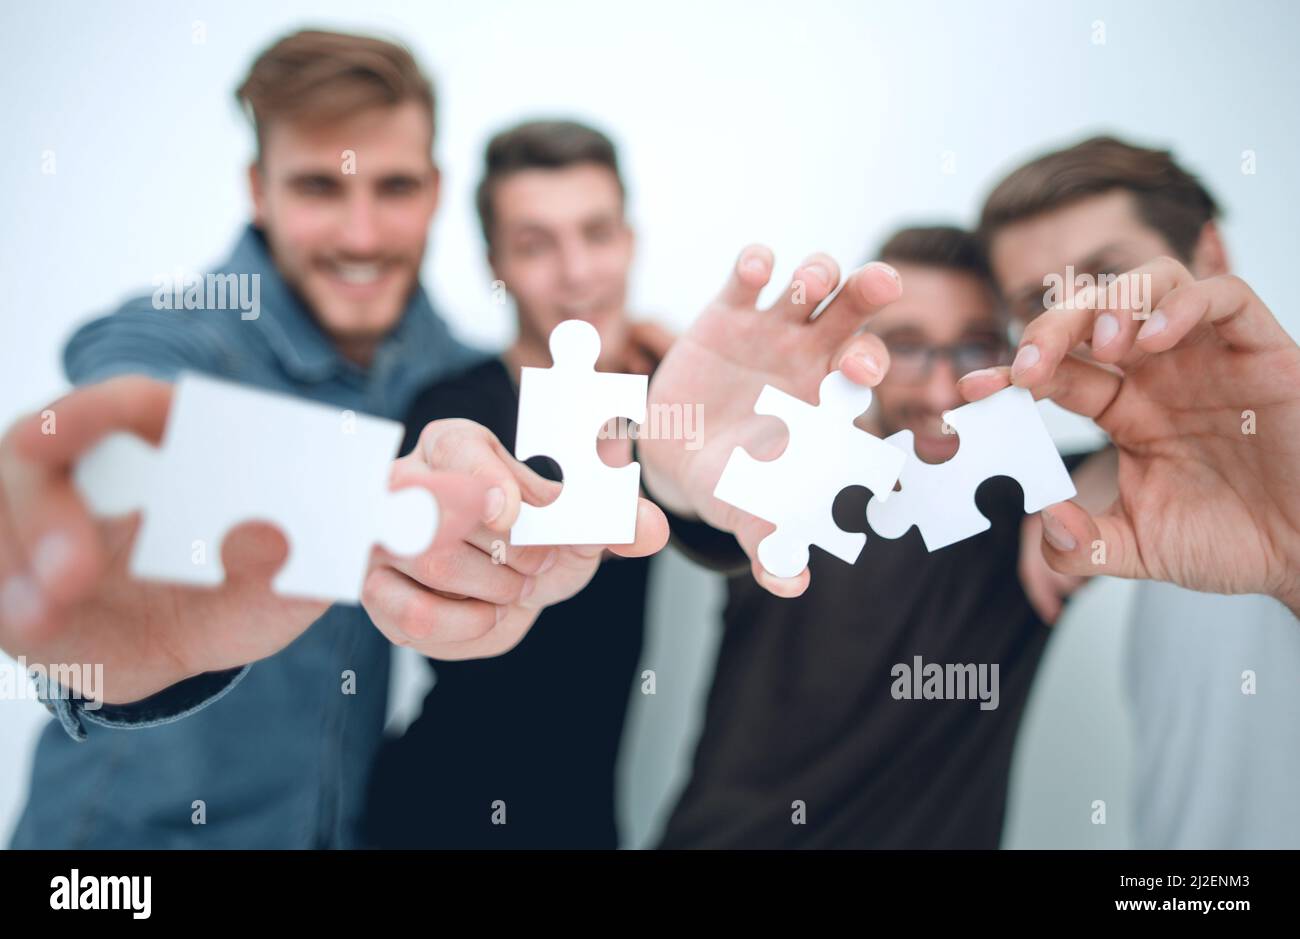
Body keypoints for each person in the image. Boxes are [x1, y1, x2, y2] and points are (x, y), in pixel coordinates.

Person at [3, 30, 666, 850]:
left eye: (394, 187)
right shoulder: (186, 340)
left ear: (435, 191)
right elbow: (128, 410)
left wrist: (649, 387)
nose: (361, 236)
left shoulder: (451, 376)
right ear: (258, 189)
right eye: (319, 186)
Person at [630, 226, 1106, 846]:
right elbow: (699, 503)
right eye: (906, 347)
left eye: (974, 347)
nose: (940, 390)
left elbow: (1156, 459)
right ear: (859, 356)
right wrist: (672, 474)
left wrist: (1088, 484)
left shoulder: (1034, 503)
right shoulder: (789, 486)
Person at [968, 135, 1300, 847]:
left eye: (1110, 277)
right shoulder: (1075, 515)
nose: (1083, 326)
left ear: (1210, 256)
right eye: (1039, 300)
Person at [362, 119, 672, 848]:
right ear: (494, 263)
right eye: (535, 245)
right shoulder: (453, 410)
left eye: (597, 233)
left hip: (586, 822)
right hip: (435, 818)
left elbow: (718, 524)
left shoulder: (662, 398)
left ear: (630, 240)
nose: (577, 272)